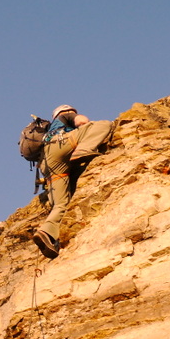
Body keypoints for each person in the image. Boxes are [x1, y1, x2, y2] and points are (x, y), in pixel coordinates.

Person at [33, 105, 115, 259]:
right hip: (62, 144)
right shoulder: (66, 116)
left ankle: (47, 233)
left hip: (46, 163)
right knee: (103, 124)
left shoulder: (48, 130)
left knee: (61, 203)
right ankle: (83, 150)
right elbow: (83, 122)